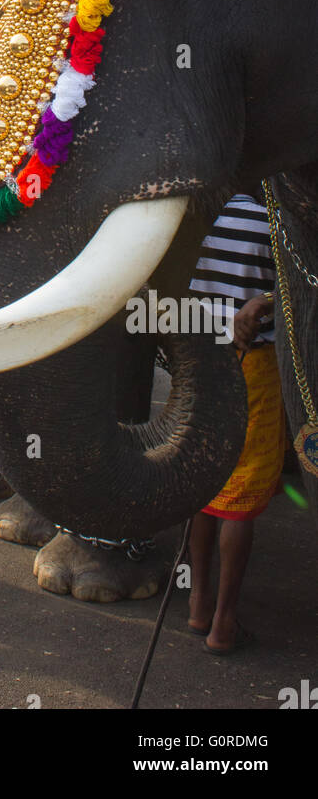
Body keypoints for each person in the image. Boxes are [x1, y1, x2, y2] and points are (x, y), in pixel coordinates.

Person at [186, 192, 285, 655]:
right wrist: (264, 301)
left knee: (205, 483)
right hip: (254, 366)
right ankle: (223, 624)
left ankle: (199, 604)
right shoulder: (279, 217)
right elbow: (299, 285)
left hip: (204, 361)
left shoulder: (210, 208)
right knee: (241, 492)